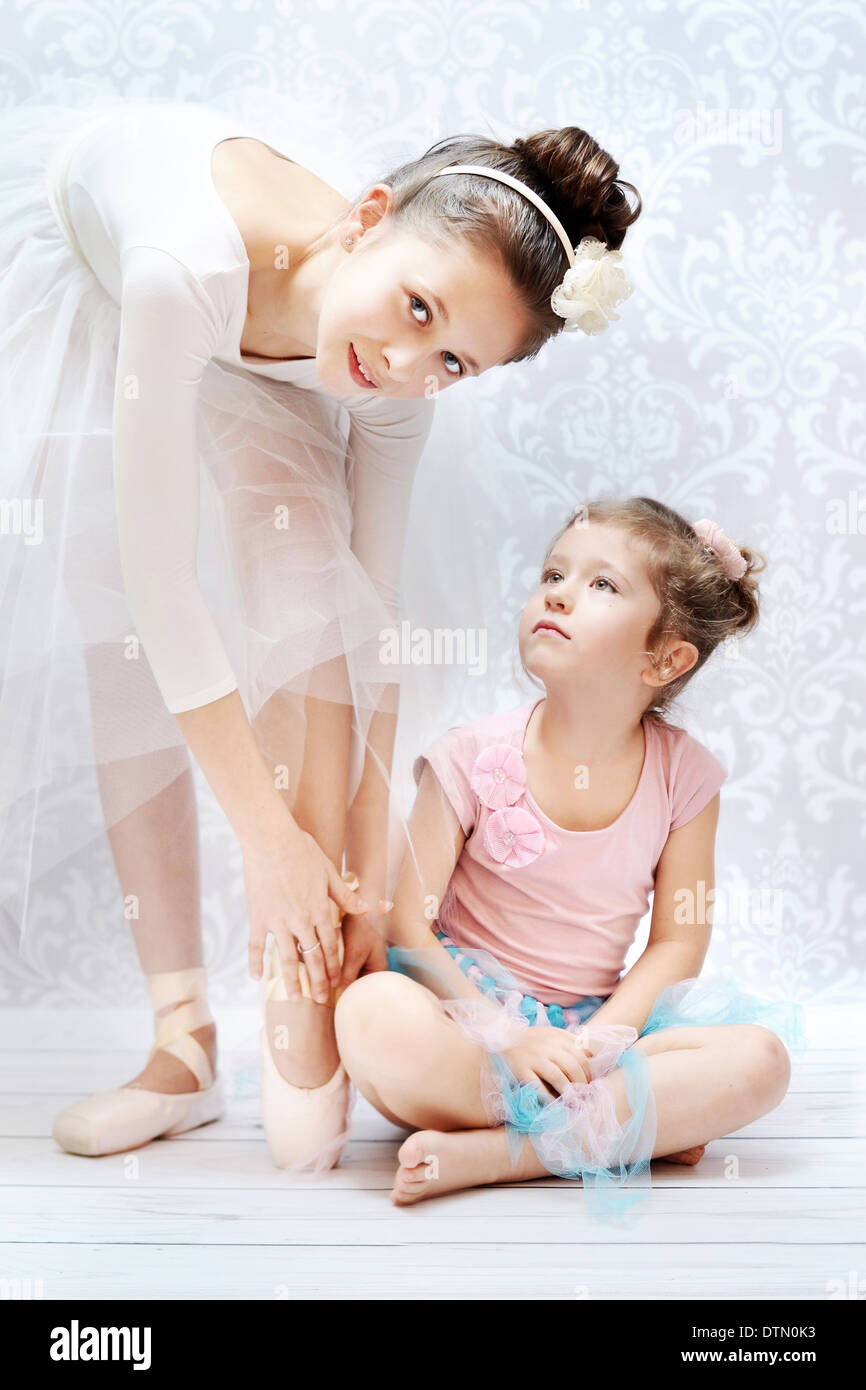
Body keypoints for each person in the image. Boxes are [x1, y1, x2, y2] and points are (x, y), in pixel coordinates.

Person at [0, 87, 642, 1162]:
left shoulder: (393, 380)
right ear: (368, 217)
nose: (403, 362)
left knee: (306, 570)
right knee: (123, 621)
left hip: (296, 322)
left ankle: (313, 975)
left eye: (451, 364)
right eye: (419, 310)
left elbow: (373, 618)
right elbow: (165, 584)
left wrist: (358, 864)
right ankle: (183, 1039)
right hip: (127, 280)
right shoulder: (181, 267)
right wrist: (269, 844)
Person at [333, 497, 807, 1217]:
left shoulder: (687, 776)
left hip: (595, 1031)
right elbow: (408, 929)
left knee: (762, 1061)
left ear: (665, 657)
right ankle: (620, 1132)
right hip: (471, 1029)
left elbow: (679, 941)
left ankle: (501, 1156)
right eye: (554, 572)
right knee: (371, 1013)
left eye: (601, 584)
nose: (557, 590)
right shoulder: (470, 755)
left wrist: (602, 1043)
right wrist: (510, 1039)